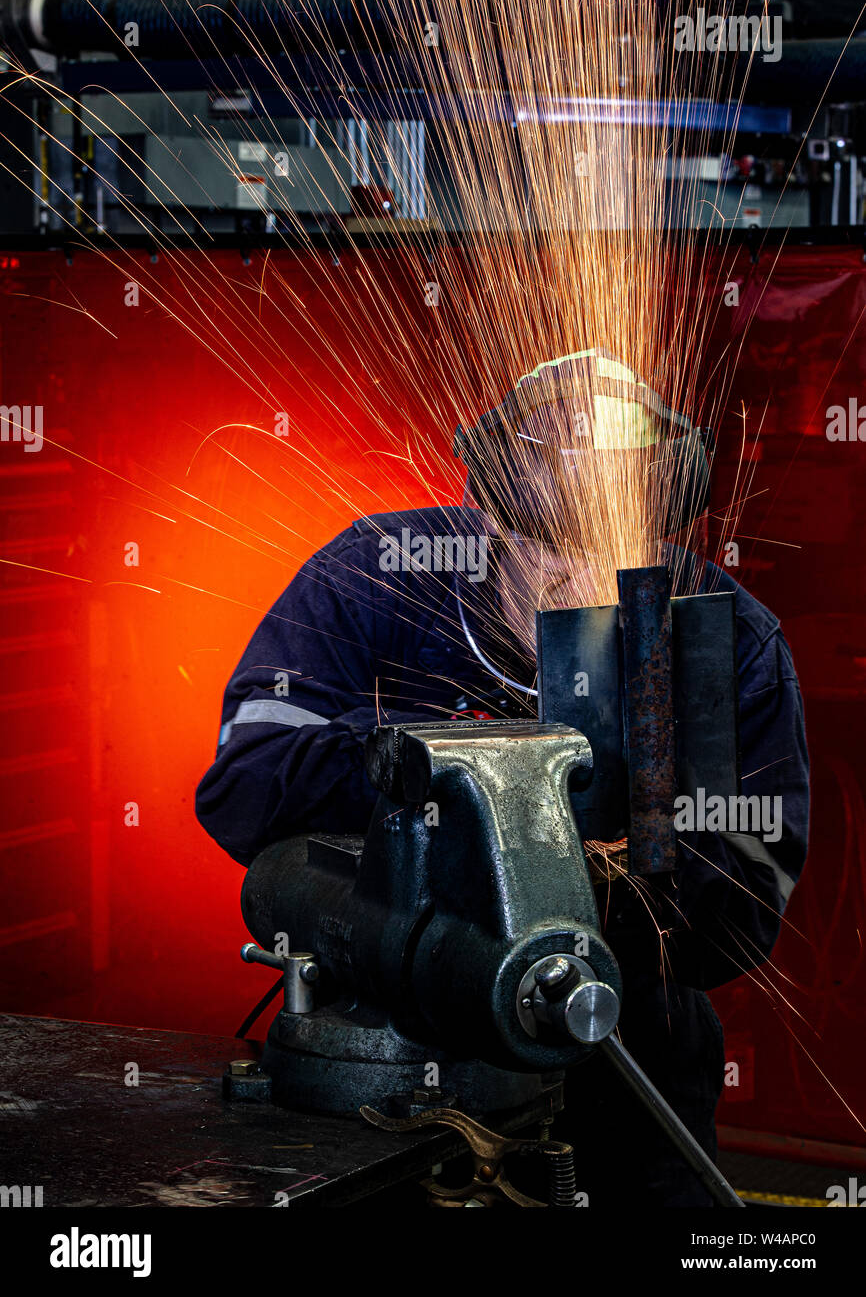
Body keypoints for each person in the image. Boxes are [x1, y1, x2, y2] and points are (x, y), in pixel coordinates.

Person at [196, 349, 809, 1206]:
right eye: (543, 562)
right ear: (489, 512)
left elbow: (742, 905)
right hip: (388, 1062)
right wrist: (441, 771)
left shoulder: (727, 636)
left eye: (604, 552)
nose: (568, 587)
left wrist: (587, 896)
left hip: (629, 1070)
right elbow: (243, 786)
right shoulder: (377, 570)